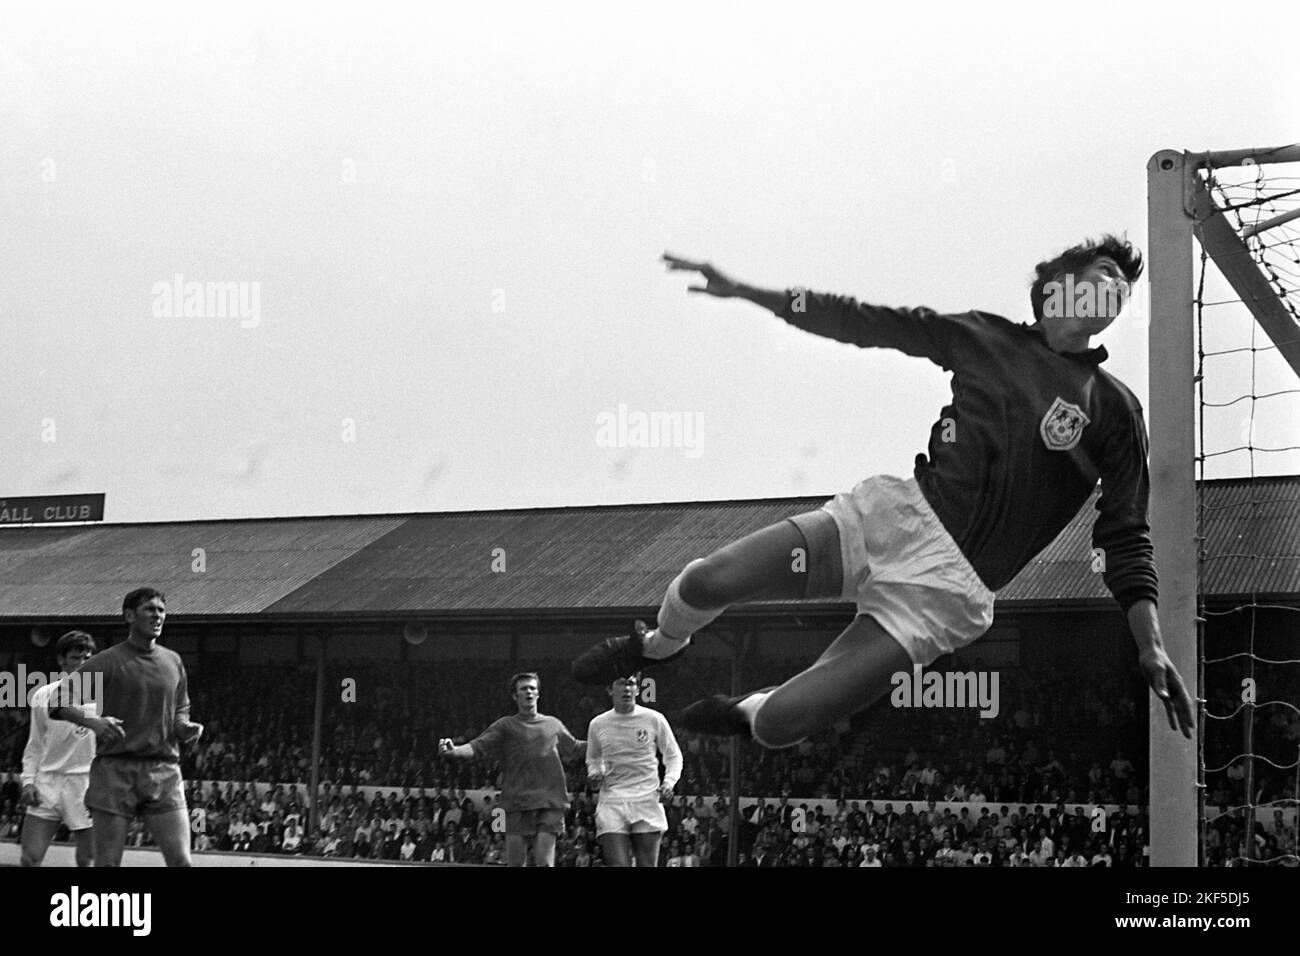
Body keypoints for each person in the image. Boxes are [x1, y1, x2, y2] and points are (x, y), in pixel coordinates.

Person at [573, 241, 1195, 748]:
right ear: (1057, 282)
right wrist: (748, 292)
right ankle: (655, 647)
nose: (1116, 289)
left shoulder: (1115, 409)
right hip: (894, 519)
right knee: (708, 581)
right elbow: (862, 321)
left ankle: (746, 707)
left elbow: (1124, 532)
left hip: (945, 594)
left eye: (1124, 288)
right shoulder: (982, 336)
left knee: (781, 727)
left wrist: (1150, 643)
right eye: (1105, 273)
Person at [50, 587, 203, 866]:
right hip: (115, 770)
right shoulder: (108, 660)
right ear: (129, 615)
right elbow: (58, 699)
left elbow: (181, 706)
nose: (158, 616)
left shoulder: (173, 661)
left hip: (163, 769)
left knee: (182, 861)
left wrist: (183, 726)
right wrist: (93, 722)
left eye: (161, 610)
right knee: (107, 863)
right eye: (150, 609)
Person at [437, 672, 585, 867]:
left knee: (545, 864)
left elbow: (574, 748)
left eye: (532, 688)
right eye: (523, 689)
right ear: (515, 696)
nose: (529, 692)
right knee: (515, 864)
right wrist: (454, 751)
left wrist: (608, 743)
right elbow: (477, 746)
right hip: (515, 801)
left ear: (538, 694)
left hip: (550, 801)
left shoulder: (553, 724)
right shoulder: (505, 725)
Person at [585, 674, 682, 867]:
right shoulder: (598, 724)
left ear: (637, 689)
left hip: (647, 798)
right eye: (621, 683)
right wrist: (595, 773)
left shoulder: (654, 719)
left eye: (631, 683)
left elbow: (673, 756)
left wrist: (669, 783)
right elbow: (594, 759)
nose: (627, 689)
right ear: (610, 690)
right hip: (612, 800)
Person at [19, 630, 98, 866]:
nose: (83, 663)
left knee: (88, 861)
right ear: (61, 660)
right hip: (48, 782)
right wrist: (28, 782)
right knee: (29, 858)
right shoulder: (43, 695)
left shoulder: (103, 697)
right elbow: (34, 745)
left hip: (86, 784)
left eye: (88, 658)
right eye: (76, 657)